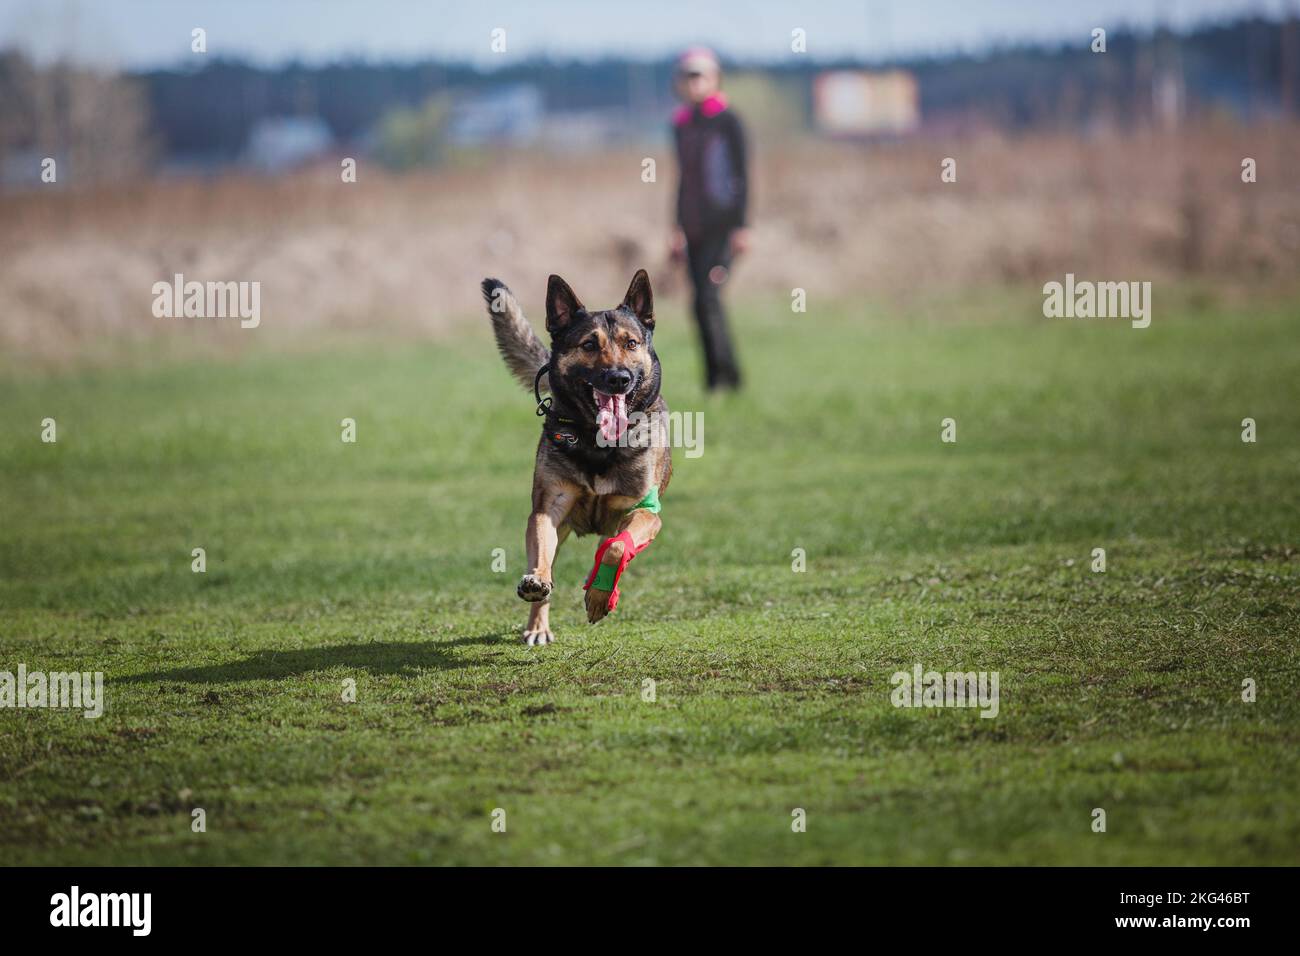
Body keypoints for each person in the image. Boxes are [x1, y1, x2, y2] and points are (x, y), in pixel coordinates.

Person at [669, 47, 749, 392]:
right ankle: (715, 379)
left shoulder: (730, 122)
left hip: (723, 227)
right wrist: (676, 228)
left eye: (700, 75)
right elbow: (683, 180)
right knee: (698, 304)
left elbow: (742, 176)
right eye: (688, 76)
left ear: (714, 78)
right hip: (693, 228)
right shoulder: (682, 125)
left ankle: (727, 379)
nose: (694, 82)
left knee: (709, 298)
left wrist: (742, 226)